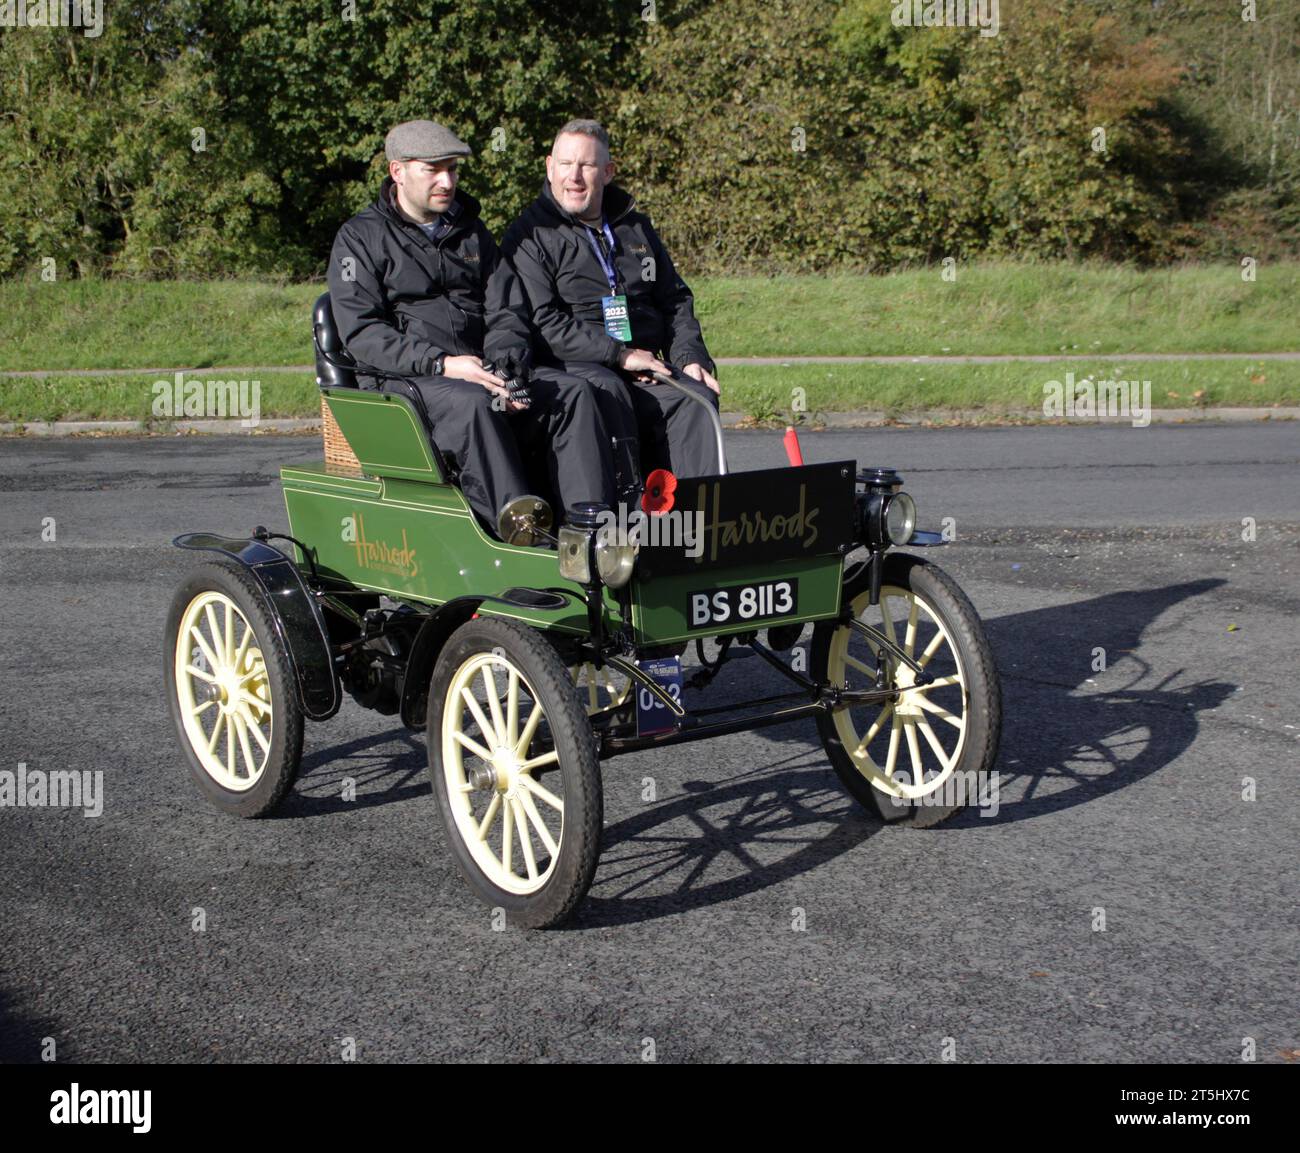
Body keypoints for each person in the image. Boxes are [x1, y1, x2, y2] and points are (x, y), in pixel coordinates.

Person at [327, 119, 616, 541]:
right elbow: (363, 334)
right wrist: (442, 363)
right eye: (434, 170)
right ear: (397, 172)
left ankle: (591, 536)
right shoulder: (359, 239)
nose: (447, 181)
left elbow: (507, 309)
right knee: (474, 404)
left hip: (483, 371)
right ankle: (521, 539)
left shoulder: (473, 233)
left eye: (454, 169)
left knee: (572, 393)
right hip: (407, 382)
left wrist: (506, 368)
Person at [501, 119, 721, 495]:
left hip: (642, 362)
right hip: (578, 363)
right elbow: (543, 322)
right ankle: (624, 530)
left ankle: (698, 530)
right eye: (566, 164)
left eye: (586, 165)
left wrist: (690, 358)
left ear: (607, 172)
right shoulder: (529, 236)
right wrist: (619, 355)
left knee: (697, 400)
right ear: (549, 166)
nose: (575, 176)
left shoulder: (635, 228)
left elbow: (675, 300)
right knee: (606, 392)